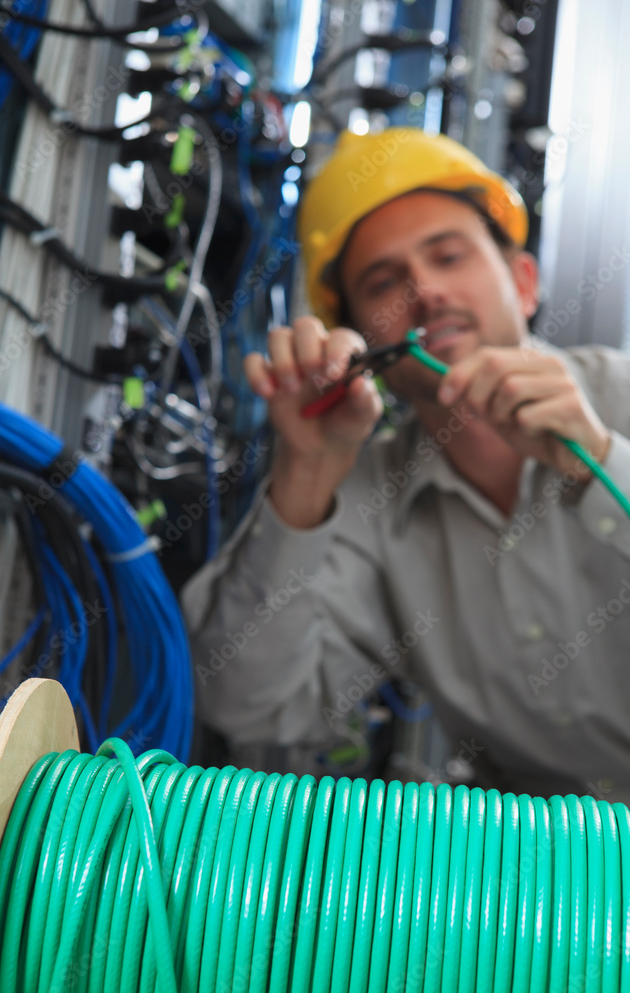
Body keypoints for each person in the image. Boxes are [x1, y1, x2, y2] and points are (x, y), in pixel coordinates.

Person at [181, 127, 630, 803]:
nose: (423, 291)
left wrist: (602, 461)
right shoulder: (369, 497)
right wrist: (307, 469)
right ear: (359, 337)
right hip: (555, 884)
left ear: (523, 282)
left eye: (448, 256)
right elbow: (247, 705)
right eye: (383, 282)